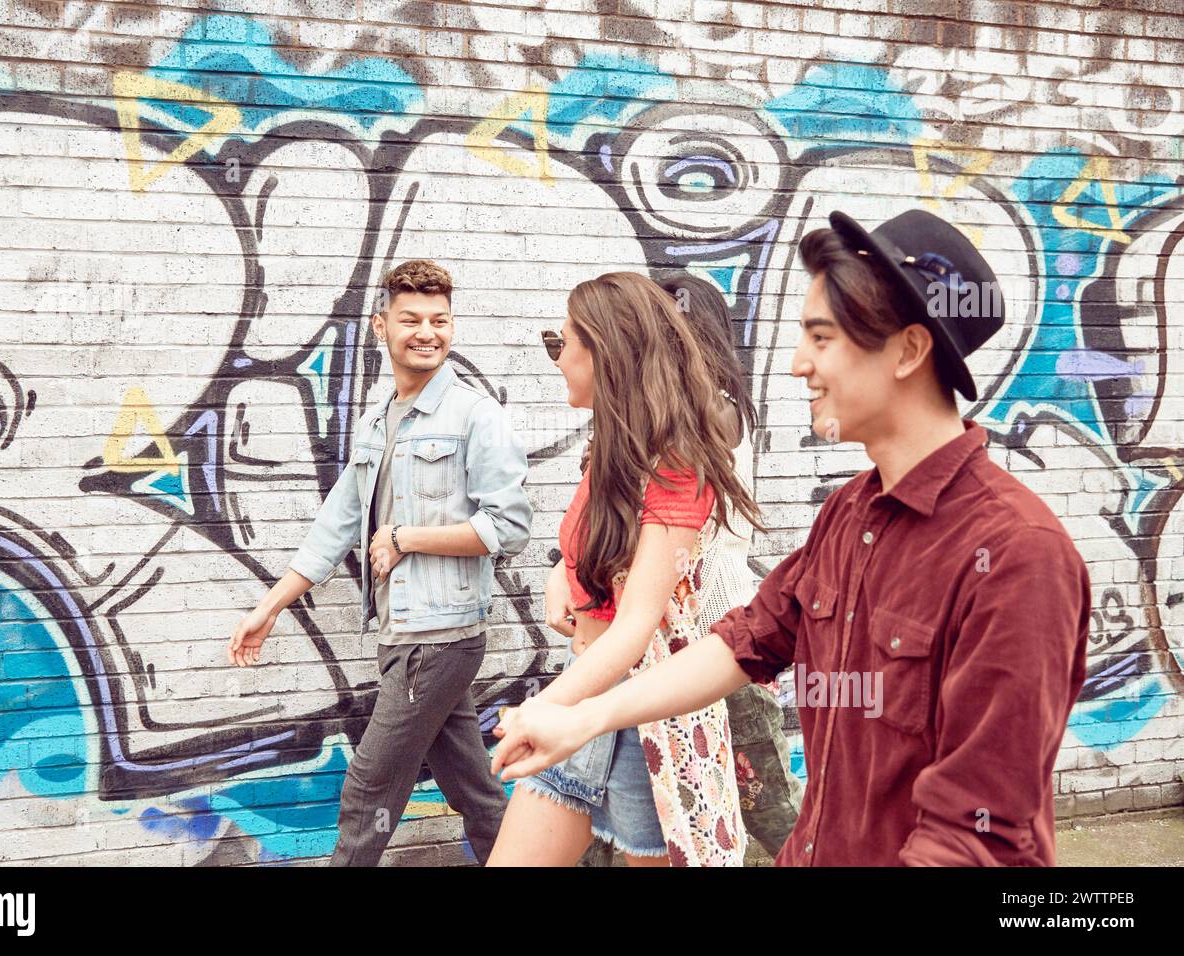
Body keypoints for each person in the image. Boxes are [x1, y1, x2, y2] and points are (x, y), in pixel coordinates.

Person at [492, 211, 1091, 867]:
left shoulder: (1017, 555)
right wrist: (584, 717)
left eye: (821, 338)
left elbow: (974, 841)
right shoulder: (848, 515)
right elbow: (747, 640)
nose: (799, 363)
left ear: (910, 351)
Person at [227, 259, 532, 866]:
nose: (428, 332)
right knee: (476, 794)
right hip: (403, 635)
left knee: (368, 786)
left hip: (440, 637)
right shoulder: (377, 419)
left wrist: (406, 536)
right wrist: (268, 608)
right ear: (380, 327)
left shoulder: (476, 416)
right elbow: (336, 524)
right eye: (412, 319)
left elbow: (510, 527)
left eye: (440, 320)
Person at [487, 271, 766, 867]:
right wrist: (562, 572)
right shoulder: (611, 443)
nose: (556, 358)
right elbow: (589, 544)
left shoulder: (679, 462)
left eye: (562, 342)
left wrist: (545, 709)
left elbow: (637, 626)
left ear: (604, 353)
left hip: (650, 726)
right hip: (582, 689)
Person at [660, 274, 804, 858]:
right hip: (671, 639)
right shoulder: (673, 409)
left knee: (769, 807)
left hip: (722, 634)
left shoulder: (713, 412)